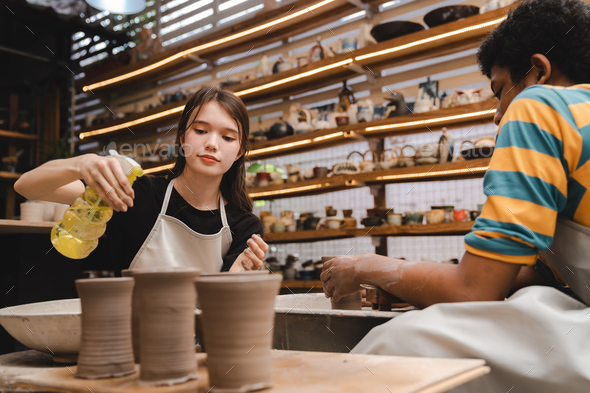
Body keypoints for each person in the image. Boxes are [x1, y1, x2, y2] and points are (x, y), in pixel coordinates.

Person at [321, 0, 590, 391]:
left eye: (499, 92)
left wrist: (365, 266)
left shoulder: (540, 105)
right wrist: (408, 282)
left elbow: (474, 291)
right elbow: (532, 278)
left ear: (538, 71)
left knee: (393, 346)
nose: (497, 114)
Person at [14, 86, 268, 274]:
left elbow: (224, 307)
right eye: (201, 131)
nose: (212, 144)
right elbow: (27, 186)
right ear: (182, 139)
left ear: (239, 152)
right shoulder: (135, 194)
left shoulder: (244, 225)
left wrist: (242, 274)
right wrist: (81, 164)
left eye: (227, 137)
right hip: (130, 339)